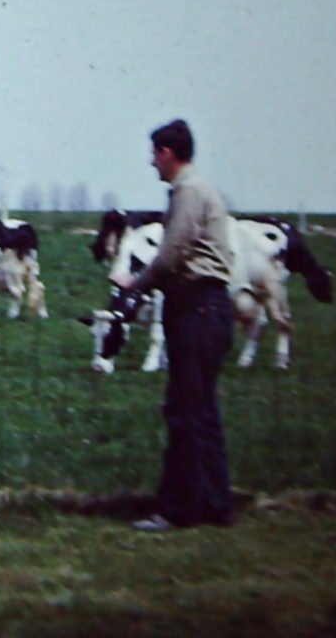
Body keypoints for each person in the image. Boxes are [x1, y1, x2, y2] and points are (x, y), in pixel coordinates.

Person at [111, 119, 237, 532]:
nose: (152, 163)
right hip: (211, 309)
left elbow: (171, 255)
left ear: (167, 153)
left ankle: (177, 510)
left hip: (195, 309)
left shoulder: (186, 191)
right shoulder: (200, 189)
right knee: (202, 412)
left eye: (154, 154)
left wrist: (135, 285)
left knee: (184, 412)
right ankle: (215, 505)